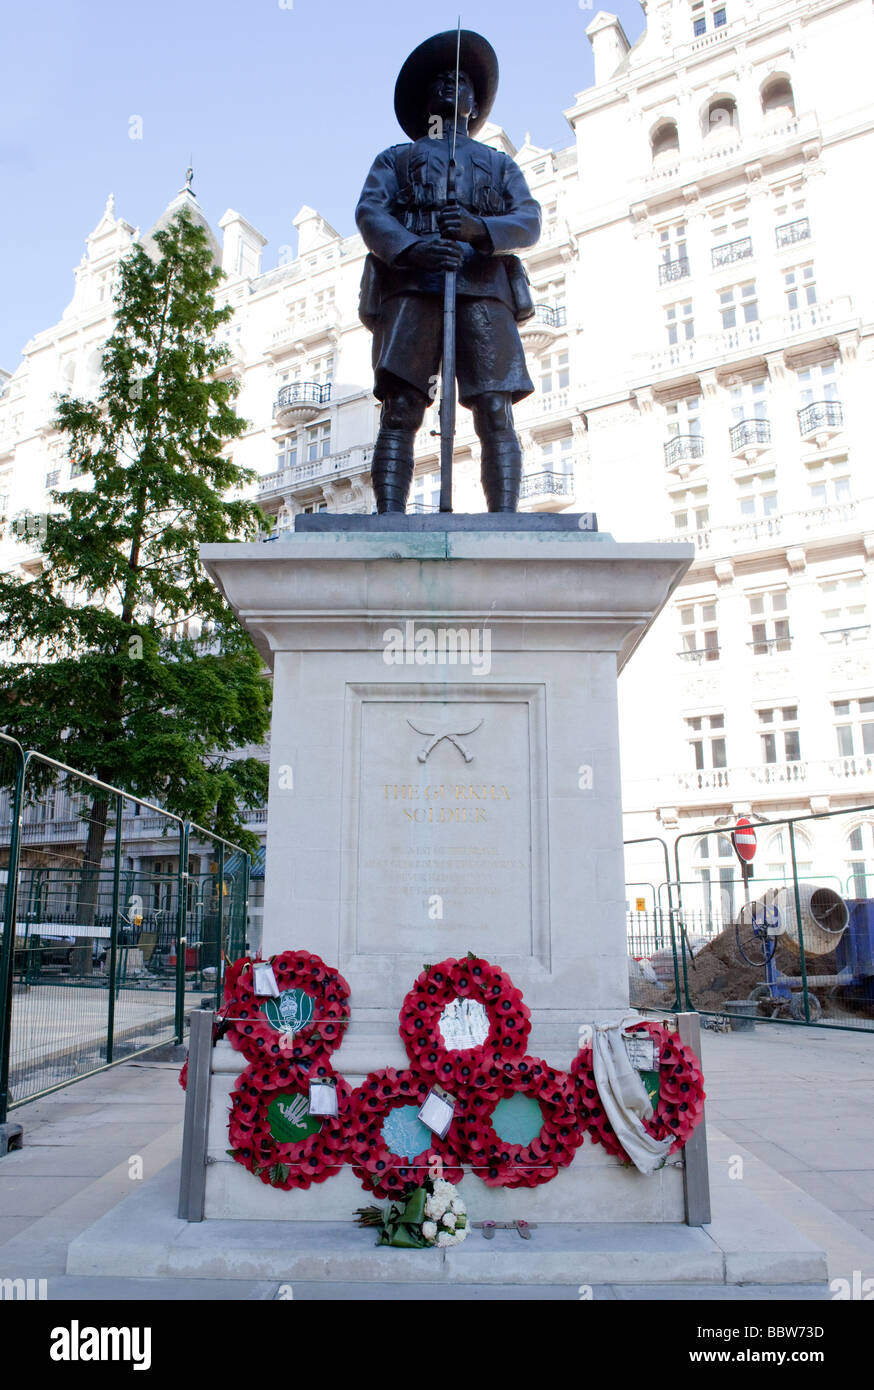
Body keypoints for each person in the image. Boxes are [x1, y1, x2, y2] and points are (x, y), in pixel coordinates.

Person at [355, 29, 542, 513]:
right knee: (399, 408)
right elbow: (371, 214)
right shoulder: (395, 160)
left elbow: (529, 219)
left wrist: (481, 228)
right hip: (413, 286)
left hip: (482, 287)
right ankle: (390, 517)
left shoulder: (499, 165)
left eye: (462, 80)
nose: (452, 86)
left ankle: (504, 518)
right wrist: (414, 249)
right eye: (441, 80)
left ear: (475, 101)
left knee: (496, 409)